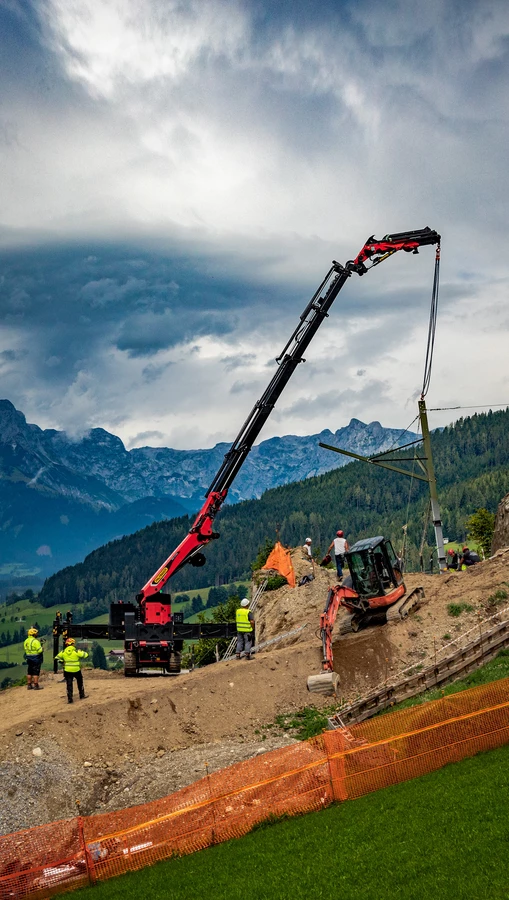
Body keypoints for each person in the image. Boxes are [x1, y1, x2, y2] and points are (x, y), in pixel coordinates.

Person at [55, 637, 89, 703]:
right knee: (80, 682)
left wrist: (62, 661)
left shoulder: (63, 652)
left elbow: (56, 658)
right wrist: (81, 651)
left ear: (66, 644)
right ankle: (81, 695)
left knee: (69, 684)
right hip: (76, 669)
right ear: (73, 644)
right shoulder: (76, 651)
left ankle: (70, 699)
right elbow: (86, 655)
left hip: (67, 670)